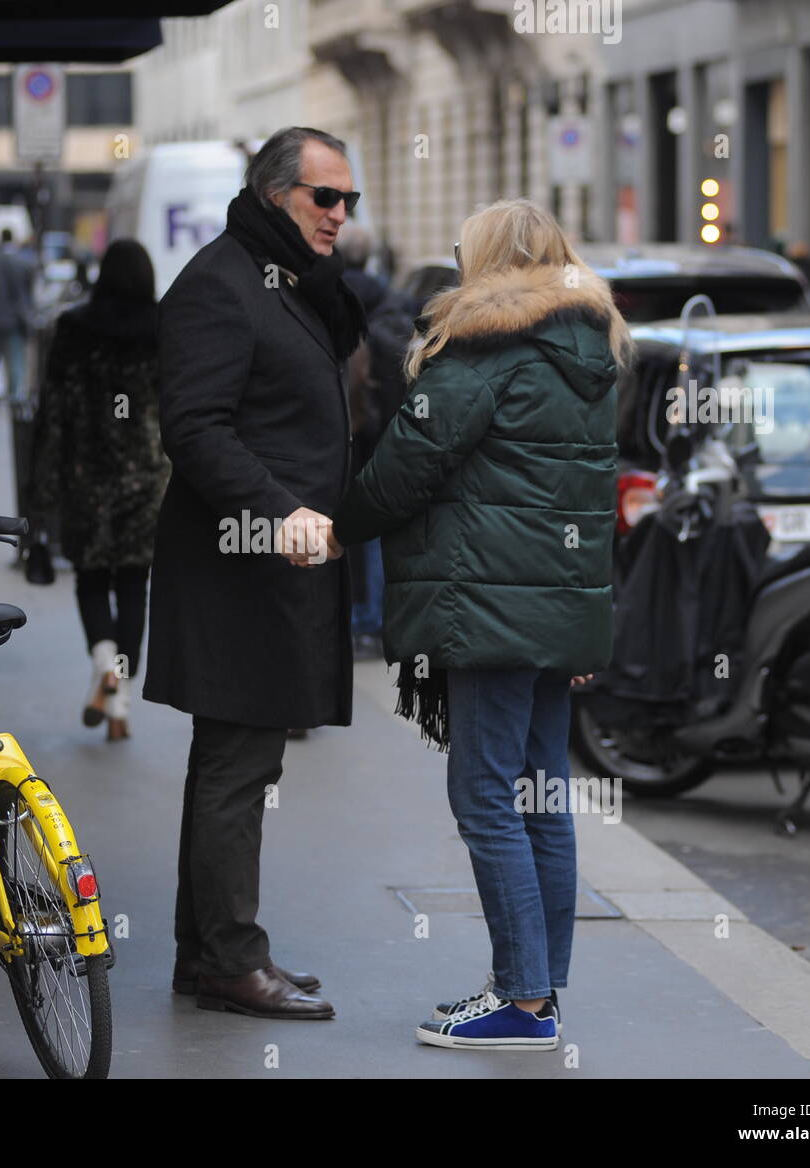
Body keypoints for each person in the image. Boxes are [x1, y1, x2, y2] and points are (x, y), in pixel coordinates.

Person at [329, 198, 634, 1051]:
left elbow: (403, 470)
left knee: (486, 795)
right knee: (540, 797)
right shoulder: (588, 352)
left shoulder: (486, 351)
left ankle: (522, 1002)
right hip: (549, 608)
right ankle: (540, 990)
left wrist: (333, 527)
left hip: (490, 606)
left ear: (490, 261)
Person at [143, 126, 368, 1020]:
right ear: (277, 194)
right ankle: (233, 959)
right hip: (241, 569)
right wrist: (283, 514)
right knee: (238, 770)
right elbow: (195, 429)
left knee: (235, 767)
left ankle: (209, 955)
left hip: (275, 569)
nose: (340, 215)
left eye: (349, 200)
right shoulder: (220, 283)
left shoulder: (284, 282)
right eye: (325, 198)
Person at [29, 240, 170, 741]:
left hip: (84, 475)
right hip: (146, 475)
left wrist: (38, 498)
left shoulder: (73, 329)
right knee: (133, 583)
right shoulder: (163, 328)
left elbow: (52, 411)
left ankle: (105, 663)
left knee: (90, 579)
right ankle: (121, 698)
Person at [336, 220, 414, 658]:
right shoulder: (390, 302)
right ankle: (375, 618)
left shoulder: (323, 298)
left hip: (337, 433)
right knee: (377, 530)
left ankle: (344, 614)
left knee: (334, 524)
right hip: (382, 433)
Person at [0, 227, 37, 406]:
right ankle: (14, 395)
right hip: (16, 318)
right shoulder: (25, 262)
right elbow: (29, 292)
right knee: (16, 360)